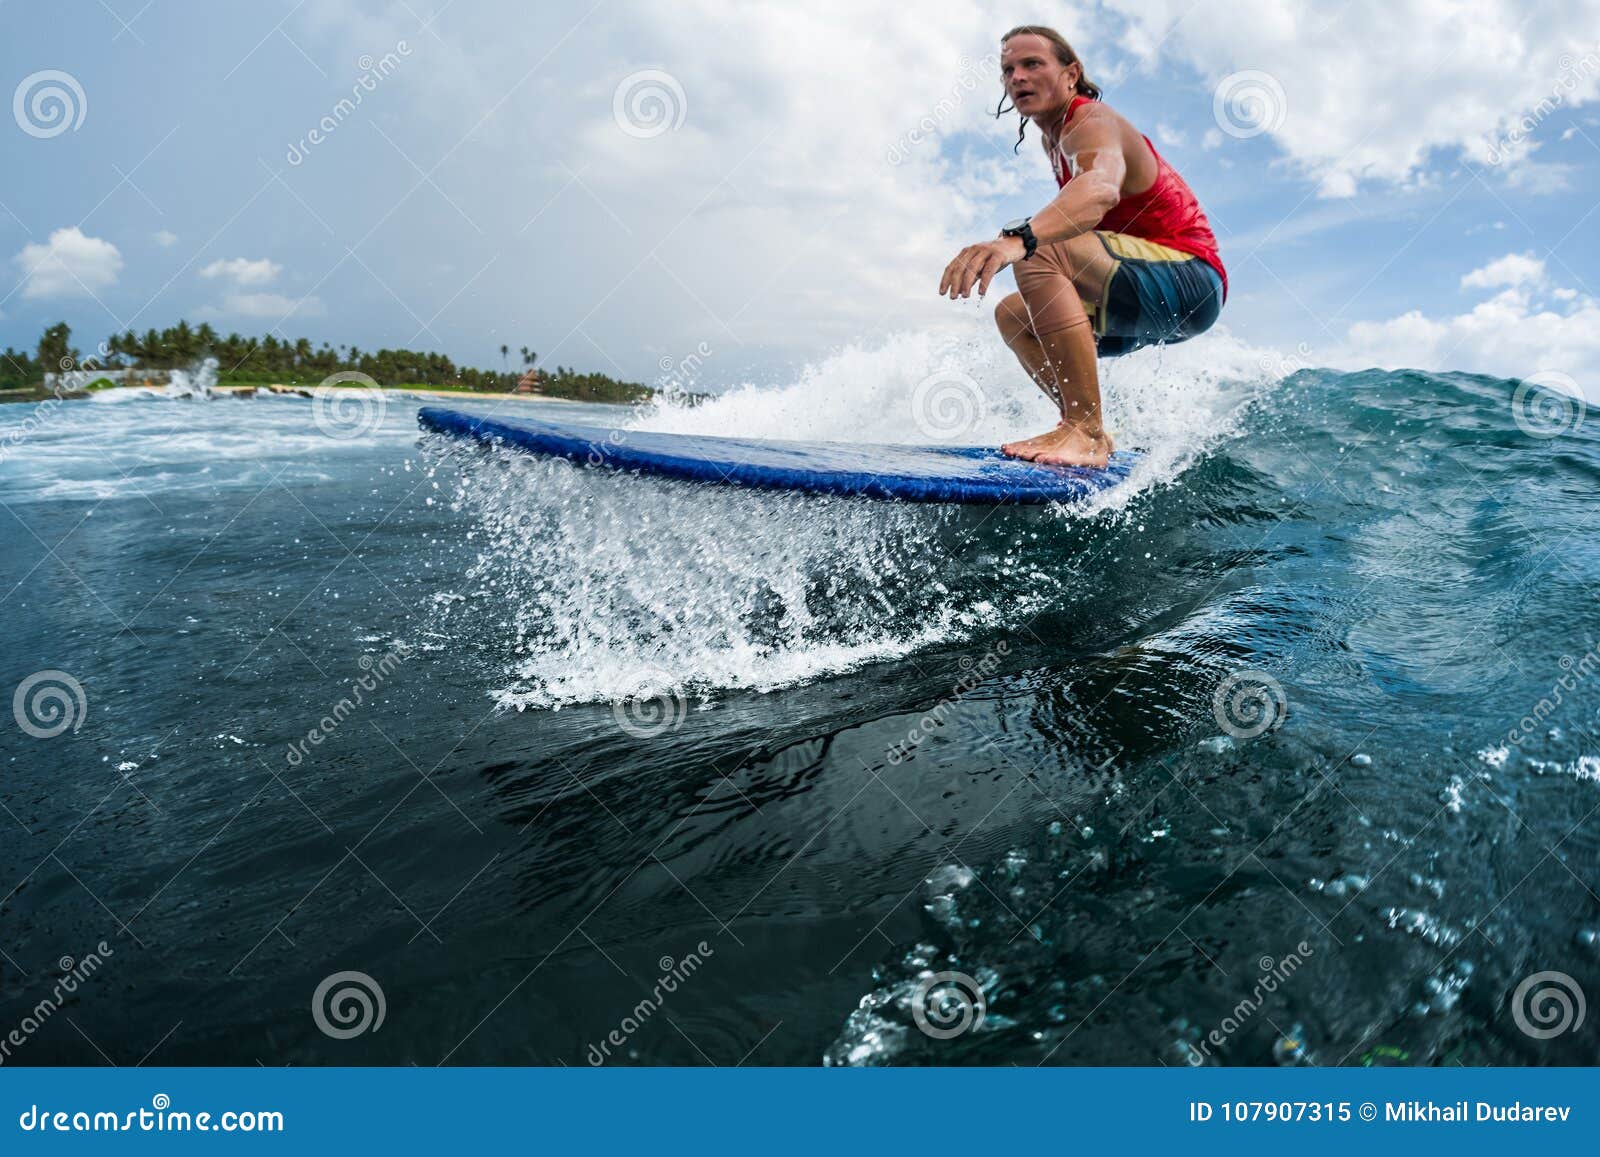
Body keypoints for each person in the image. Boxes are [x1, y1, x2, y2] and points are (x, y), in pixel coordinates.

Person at [939, 25, 1228, 467]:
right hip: (1147, 298)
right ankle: (1083, 426)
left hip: (1190, 276)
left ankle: (1084, 430)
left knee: (1042, 251)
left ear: (1071, 74)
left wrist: (1018, 239)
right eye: (1008, 70)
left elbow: (1100, 188)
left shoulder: (1089, 120)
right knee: (1014, 316)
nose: (1017, 77)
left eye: (1032, 64)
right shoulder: (1050, 139)